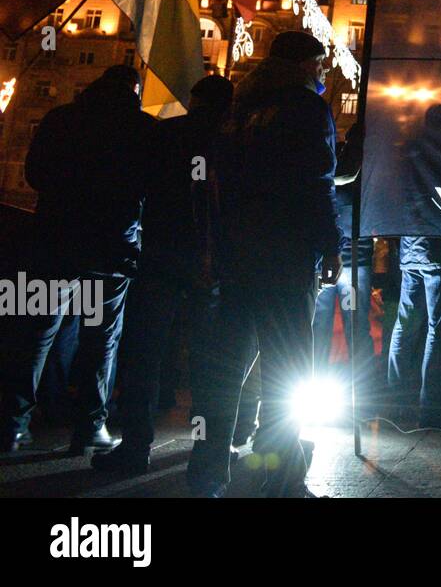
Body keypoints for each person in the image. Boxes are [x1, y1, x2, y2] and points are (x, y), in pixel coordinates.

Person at [187, 31, 341, 497]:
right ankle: (280, 475)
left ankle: (208, 472)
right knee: (287, 369)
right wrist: (331, 244)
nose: (322, 74)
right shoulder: (306, 109)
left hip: (237, 258)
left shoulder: (241, 112)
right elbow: (317, 181)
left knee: (225, 370)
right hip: (286, 257)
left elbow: (217, 184)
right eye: (319, 65)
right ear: (305, 65)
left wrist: (216, 250)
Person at [1, 65, 153, 455]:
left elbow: (34, 174)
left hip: (53, 239)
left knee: (36, 332)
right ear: (134, 90)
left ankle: (12, 425)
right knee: (100, 337)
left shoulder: (61, 118)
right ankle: (90, 428)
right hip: (110, 249)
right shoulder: (142, 127)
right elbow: (152, 188)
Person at [93, 74, 233, 474]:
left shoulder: (166, 134)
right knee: (211, 364)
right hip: (211, 263)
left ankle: (136, 447)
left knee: (144, 356)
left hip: (160, 255)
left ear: (193, 99)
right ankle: (207, 452)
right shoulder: (233, 141)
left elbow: (134, 188)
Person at [313, 122, 374, 386]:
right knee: (353, 327)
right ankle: (362, 391)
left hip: (331, 252)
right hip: (351, 254)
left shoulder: (328, 158)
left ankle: (316, 384)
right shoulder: (368, 166)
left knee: (320, 326)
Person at [387, 236, 441, 427]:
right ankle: (431, 409)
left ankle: (397, 404)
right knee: (439, 331)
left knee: (405, 328)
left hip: (410, 250)